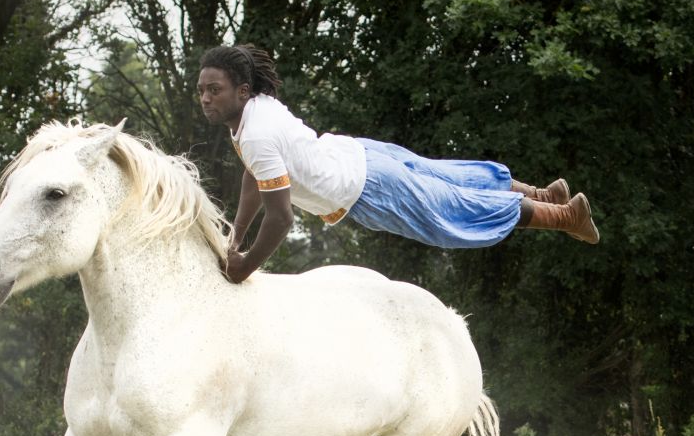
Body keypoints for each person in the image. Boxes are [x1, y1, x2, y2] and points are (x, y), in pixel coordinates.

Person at [196, 44, 599, 284]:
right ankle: (542, 193)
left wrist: (244, 267)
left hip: (366, 190)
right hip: (362, 154)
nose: (206, 98)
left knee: (453, 212)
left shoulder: (254, 133)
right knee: (447, 178)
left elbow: (281, 217)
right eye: (201, 91)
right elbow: (255, 175)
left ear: (242, 90)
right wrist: (236, 238)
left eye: (215, 90)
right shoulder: (256, 110)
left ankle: (563, 215)